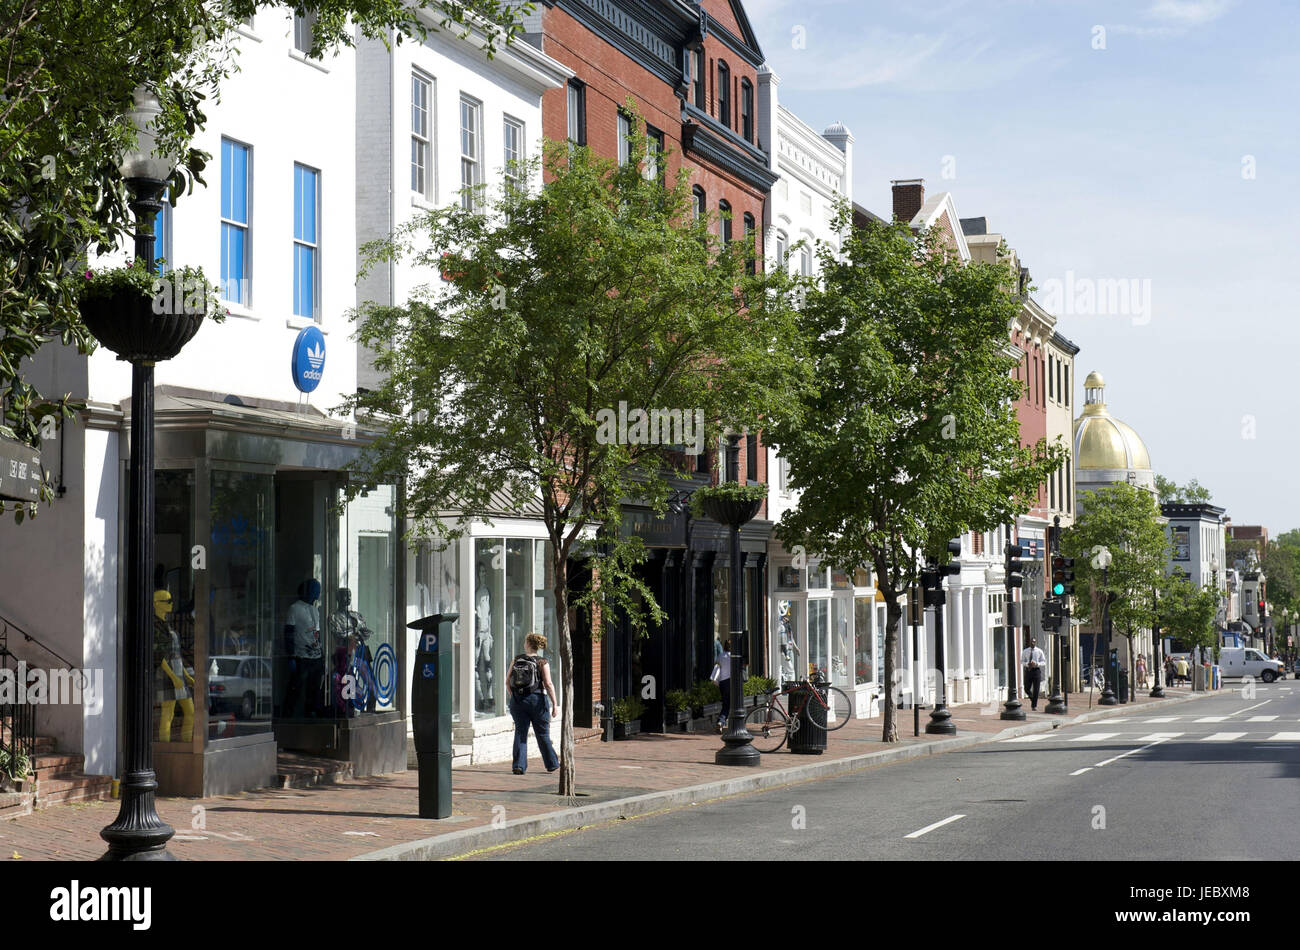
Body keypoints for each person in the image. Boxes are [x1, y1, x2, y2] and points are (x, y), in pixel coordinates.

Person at [506, 632, 559, 775]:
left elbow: (507, 682)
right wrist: (554, 703)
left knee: (520, 732)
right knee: (542, 734)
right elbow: (548, 683)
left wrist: (515, 697)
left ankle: (518, 765)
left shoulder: (516, 660)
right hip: (538, 701)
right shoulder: (542, 662)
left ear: (528, 644)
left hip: (518, 701)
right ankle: (552, 764)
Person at [711, 638, 732, 731]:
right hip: (731, 682)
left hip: (722, 682)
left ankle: (721, 721)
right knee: (731, 704)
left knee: (725, 703)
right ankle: (723, 721)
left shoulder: (720, 656)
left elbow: (717, 667)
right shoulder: (733, 656)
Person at [1021, 638, 1046, 711]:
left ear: (1035, 643)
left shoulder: (1039, 651)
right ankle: (1033, 699)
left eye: (1034, 642)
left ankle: (1034, 706)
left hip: (1036, 671)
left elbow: (1044, 662)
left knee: (1036, 689)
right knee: (1026, 688)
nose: (1033, 643)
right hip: (1028, 671)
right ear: (1029, 642)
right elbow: (1022, 661)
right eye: (1031, 642)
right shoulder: (1025, 651)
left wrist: (1037, 664)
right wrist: (1026, 664)